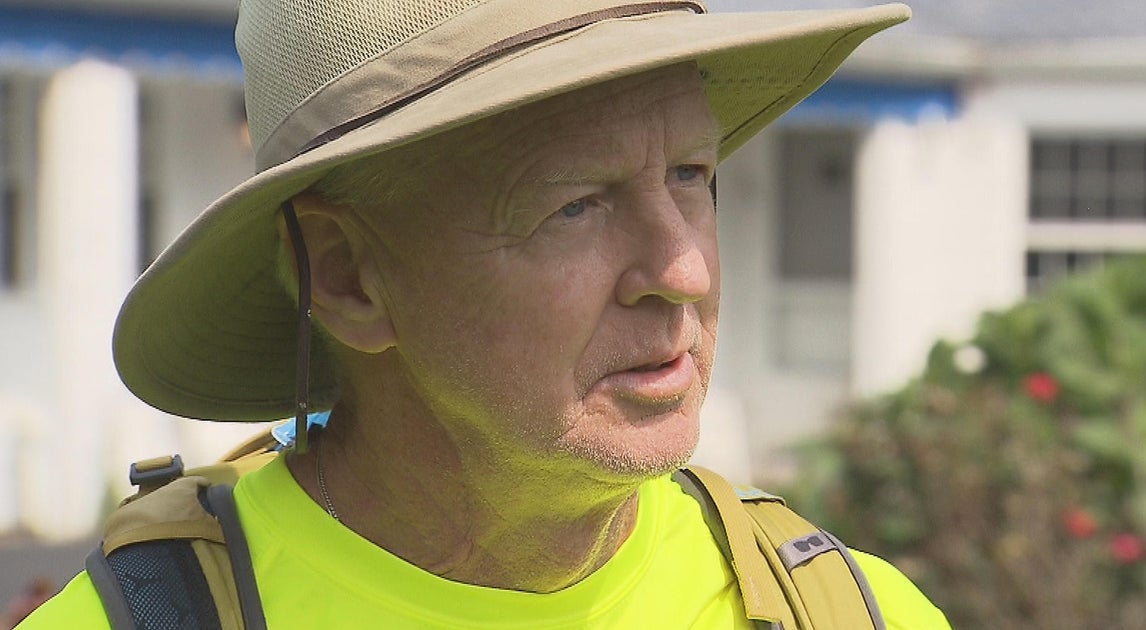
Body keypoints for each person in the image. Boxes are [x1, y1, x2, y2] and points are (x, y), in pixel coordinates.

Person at [21, 0, 951, 627]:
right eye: (575, 203)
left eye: (691, 176)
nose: (683, 268)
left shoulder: (843, 610)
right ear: (348, 277)